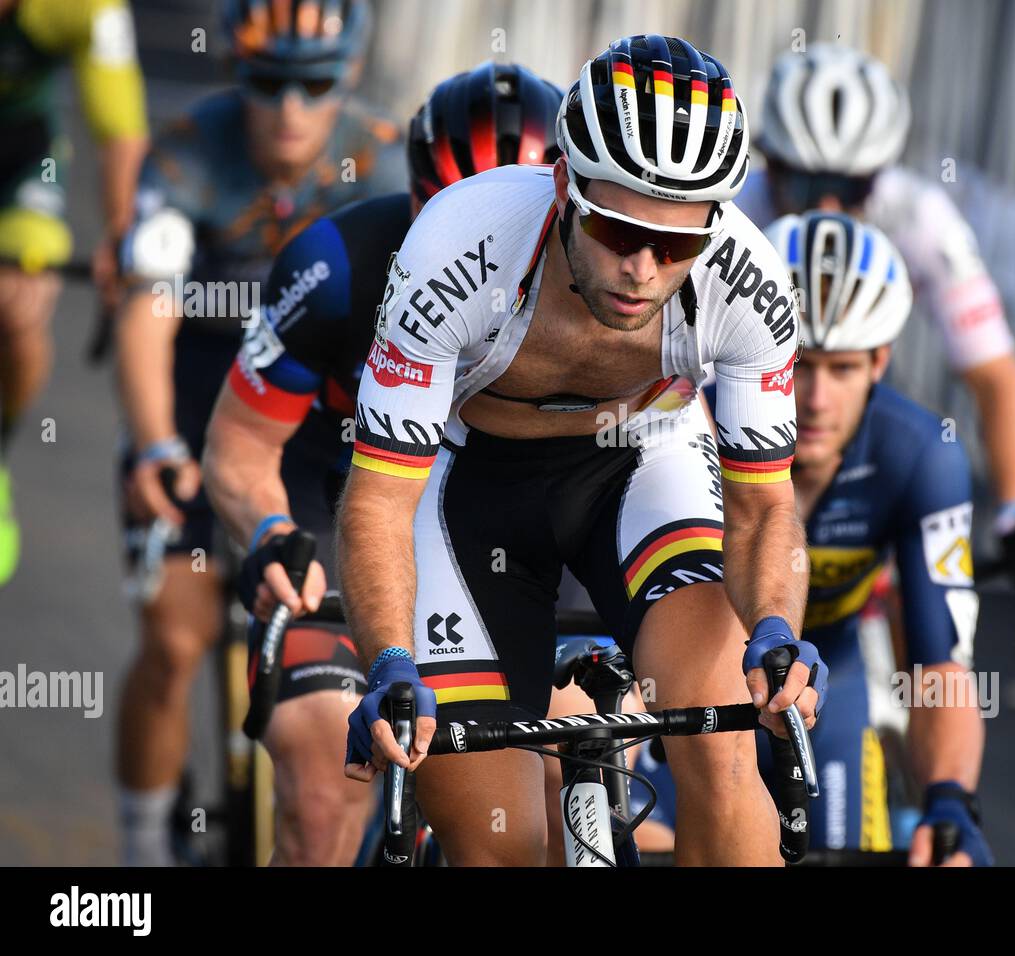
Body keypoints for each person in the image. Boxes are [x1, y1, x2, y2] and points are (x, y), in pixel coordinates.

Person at [335, 34, 826, 866]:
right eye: (616, 228)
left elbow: (764, 504)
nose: (641, 267)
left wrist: (776, 629)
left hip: (644, 463)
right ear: (565, 184)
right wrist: (387, 657)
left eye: (676, 246)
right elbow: (379, 497)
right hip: (469, 487)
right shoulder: (459, 245)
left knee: (722, 745)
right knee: (508, 844)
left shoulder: (752, 284)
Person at [202, 60, 565, 864]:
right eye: (454, 215)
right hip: (336, 514)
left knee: (571, 776)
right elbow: (239, 447)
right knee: (328, 782)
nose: (482, 251)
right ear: (413, 202)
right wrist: (267, 531)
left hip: (512, 530)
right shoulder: (333, 268)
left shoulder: (610, 282)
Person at [113, 0, 404, 866]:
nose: (288, 108)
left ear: (348, 74)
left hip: (314, 424)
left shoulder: (381, 156)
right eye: (266, 81)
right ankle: (139, 852)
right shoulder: (188, 150)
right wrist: (158, 443)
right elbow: (147, 308)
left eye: (312, 83)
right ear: (236, 74)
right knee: (172, 641)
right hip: (196, 398)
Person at [640, 212, 994, 866]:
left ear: (881, 361)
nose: (816, 398)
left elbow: (938, 665)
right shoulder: (691, 414)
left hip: (831, 686)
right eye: (798, 365)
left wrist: (949, 800)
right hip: (689, 672)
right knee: (648, 839)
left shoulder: (922, 456)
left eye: (843, 369)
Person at [739, 44, 1015, 584]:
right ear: (767, 163)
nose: (828, 209)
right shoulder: (733, 210)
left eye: (851, 188)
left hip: (857, 439)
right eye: (801, 183)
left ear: (881, 176)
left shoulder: (920, 217)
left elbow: (996, 376)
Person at [0, 0, 148, 585]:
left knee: (16, 305)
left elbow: (121, 130)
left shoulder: (81, 7)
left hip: (19, 165)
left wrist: (122, 237)